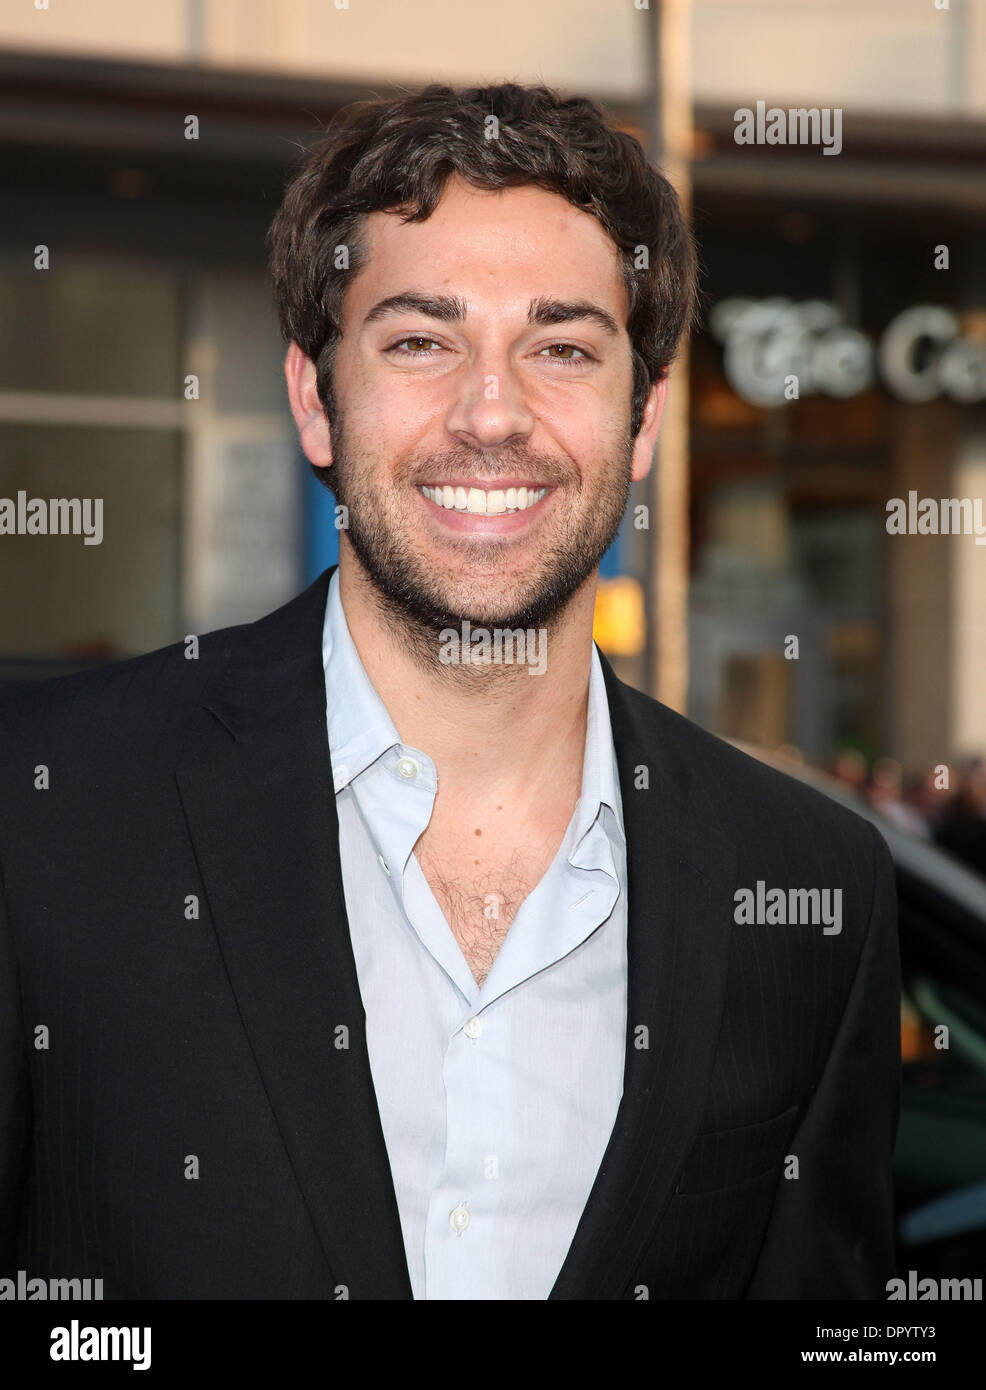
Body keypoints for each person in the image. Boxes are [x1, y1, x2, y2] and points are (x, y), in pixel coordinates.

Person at [0, 82, 900, 1300]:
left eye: (562, 348)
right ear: (317, 397)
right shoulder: (44, 812)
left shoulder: (806, 889)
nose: (491, 414)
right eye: (420, 340)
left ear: (642, 422)